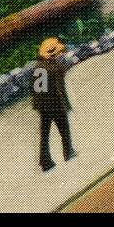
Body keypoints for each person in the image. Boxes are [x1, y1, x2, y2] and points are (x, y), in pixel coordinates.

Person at [32, 36, 75, 172]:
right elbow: (61, 78)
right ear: (53, 54)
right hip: (55, 104)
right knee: (64, 129)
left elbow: (37, 90)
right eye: (57, 53)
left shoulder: (38, 68)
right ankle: (68, 152)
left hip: (43, 106)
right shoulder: (54, 68)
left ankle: (44, 160)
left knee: (45, 133)